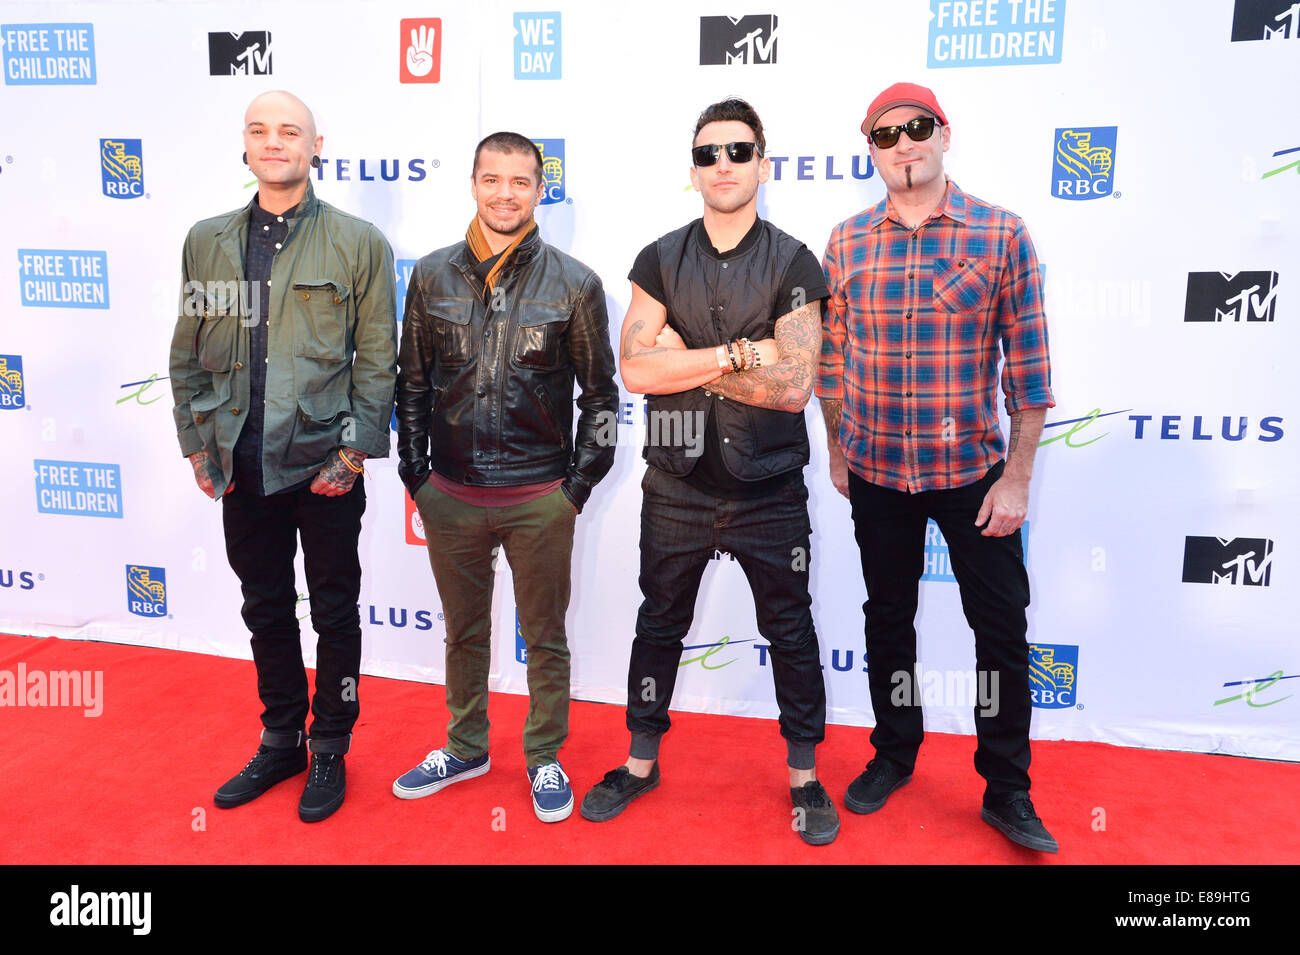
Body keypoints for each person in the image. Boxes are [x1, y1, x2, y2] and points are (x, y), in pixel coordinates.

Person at [580, 99, 838, 845]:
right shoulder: (658, 257)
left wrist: (684, 360)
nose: (721, 163)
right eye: (707, 153)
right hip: (676, 485)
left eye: (737, 149)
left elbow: (793, 386)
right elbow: (634, 368)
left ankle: (804, 776)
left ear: (763, 161)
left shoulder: (795, 262)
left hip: (770, 486)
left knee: (789, 627)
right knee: (658, 623)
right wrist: (737, 352)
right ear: (691, 172)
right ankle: (638, 761)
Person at [817, 82, 1058, 852]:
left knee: (1000, 631)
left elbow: (1029, 370)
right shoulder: (848, 242)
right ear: (874, 151)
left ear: (944, 134)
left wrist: (1017, 477)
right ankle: (894, 752)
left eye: (916, 128)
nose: (903, 144)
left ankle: (1008, 787)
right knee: (887, 620)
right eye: (886, 135)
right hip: (878, 471)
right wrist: (837, 449)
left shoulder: (1001, 233)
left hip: (974, 478)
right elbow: (831, 359)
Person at [169, 91, 397, 822]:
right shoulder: (207, 240)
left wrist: (354, 453)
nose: (275, 142)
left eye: (289, 131)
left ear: (315, 145)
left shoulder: (358, 242)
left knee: (334, 609)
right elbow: (189, 351)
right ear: (245, 145)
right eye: (261, 131)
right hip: (240, 461)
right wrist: (196, 443)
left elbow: (377, 363)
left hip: (323, 464)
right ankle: (280, 738)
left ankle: (329, 742)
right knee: (264, 605)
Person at [392, 132, 618, 823]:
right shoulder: (430, 276)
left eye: (521, 181)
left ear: (541, 188)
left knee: (543, 633)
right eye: (493, 179)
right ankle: (466, 746)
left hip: (539, 496)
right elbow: (412, 386)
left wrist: (572, 491)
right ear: (472, 183)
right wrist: (416, 475)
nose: (505, 194)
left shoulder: (575, 283)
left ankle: (544, 754)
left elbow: (602, 400)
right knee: (463, 632)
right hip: (450, 496)